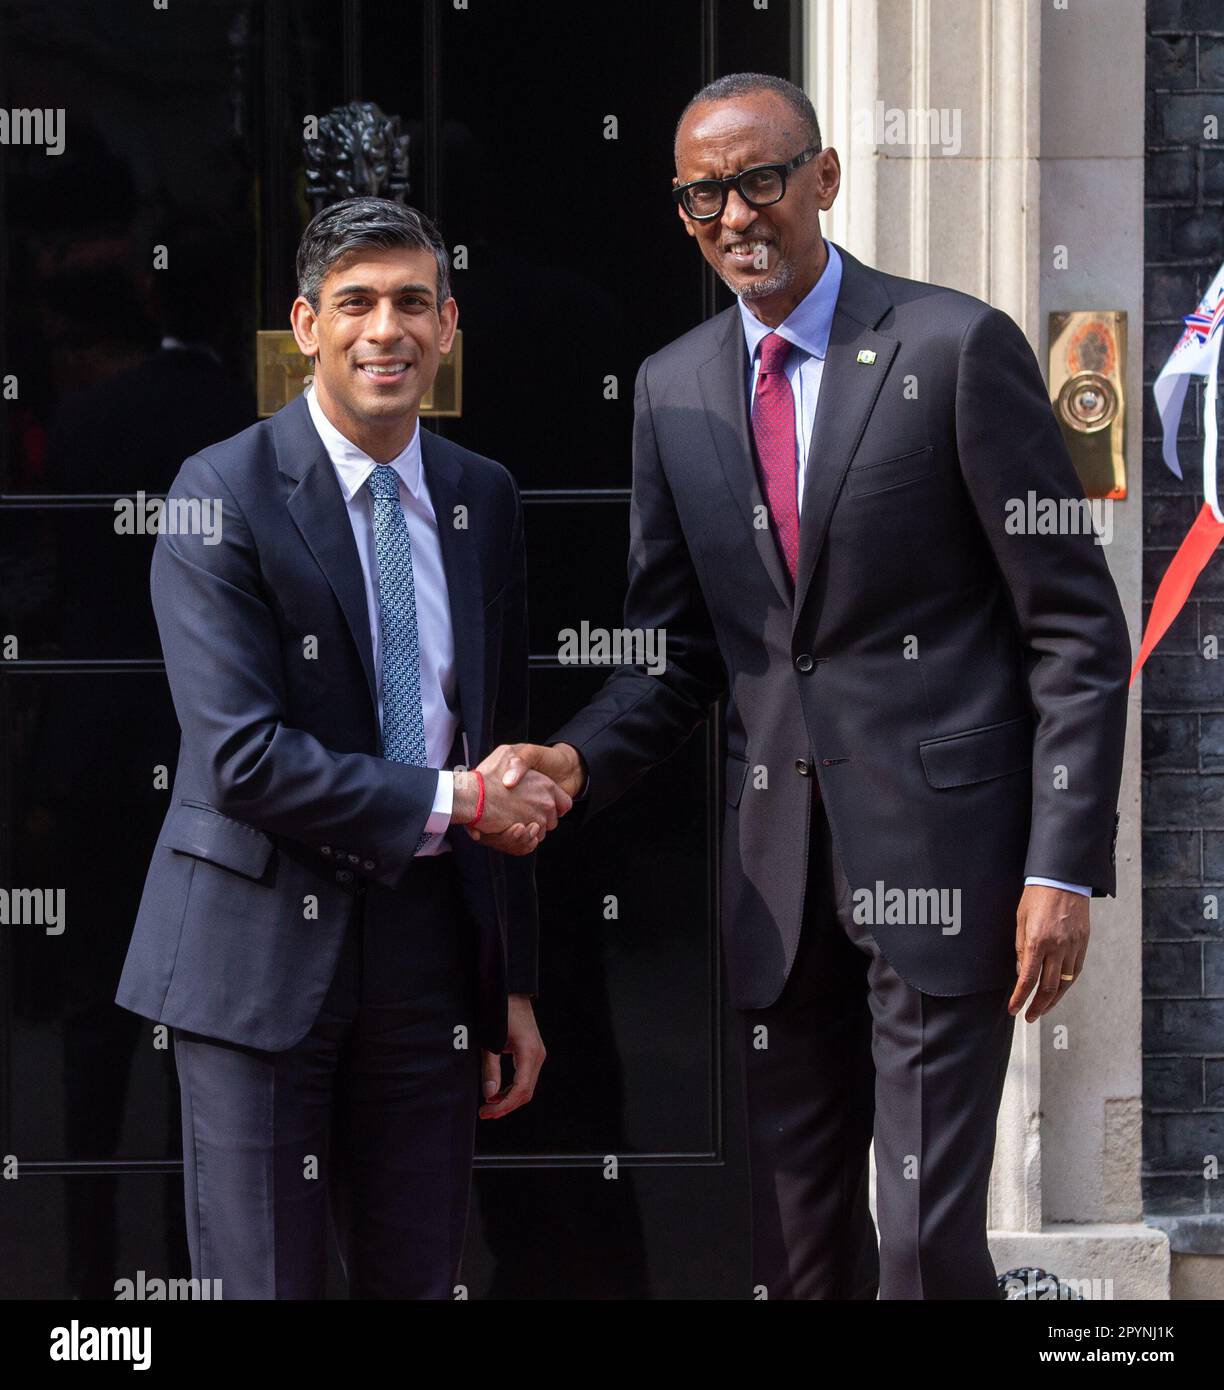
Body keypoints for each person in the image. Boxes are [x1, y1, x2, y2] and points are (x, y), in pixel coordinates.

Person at [472, 73, 1130, 1299]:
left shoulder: (954, 345)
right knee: (799, 1248)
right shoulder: (672, 388)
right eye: (702, 194)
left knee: (929, 1246)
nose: (734, 215)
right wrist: (574, 759)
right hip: (777, 887)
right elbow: (675, 655)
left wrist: (1058, 865)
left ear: (824, 180)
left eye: (759, 180)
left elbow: (1077, 633)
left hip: (949, 865)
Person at [115, 197, 571, 1298]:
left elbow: (497, 739)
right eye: (357, 303)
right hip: (258, 948)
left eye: (413, 302)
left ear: (448, 324)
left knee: (417, 1275)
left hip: (427, 959)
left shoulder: (483, 497)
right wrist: (460, 798)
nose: (387, 330)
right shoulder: (216, 493)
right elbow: (243, 759)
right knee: (264, 1281)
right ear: (305, 325)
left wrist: (505, 980)